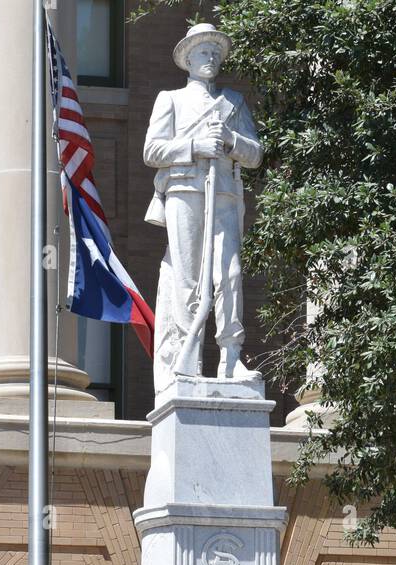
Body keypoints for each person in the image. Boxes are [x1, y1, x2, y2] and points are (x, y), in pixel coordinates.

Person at [143, 23, 263, 392]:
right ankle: (188, 355)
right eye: (202, 52)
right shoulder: (171, 100)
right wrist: (195, 146)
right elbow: (152, 151)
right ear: (188, 59)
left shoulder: (233, 103)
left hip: (225, 194)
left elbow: (256, 155)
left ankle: (230, 356)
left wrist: (230, 140)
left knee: (229, 274)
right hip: (184, 191)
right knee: (187, 276)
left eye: (215, 53)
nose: (210, 59)